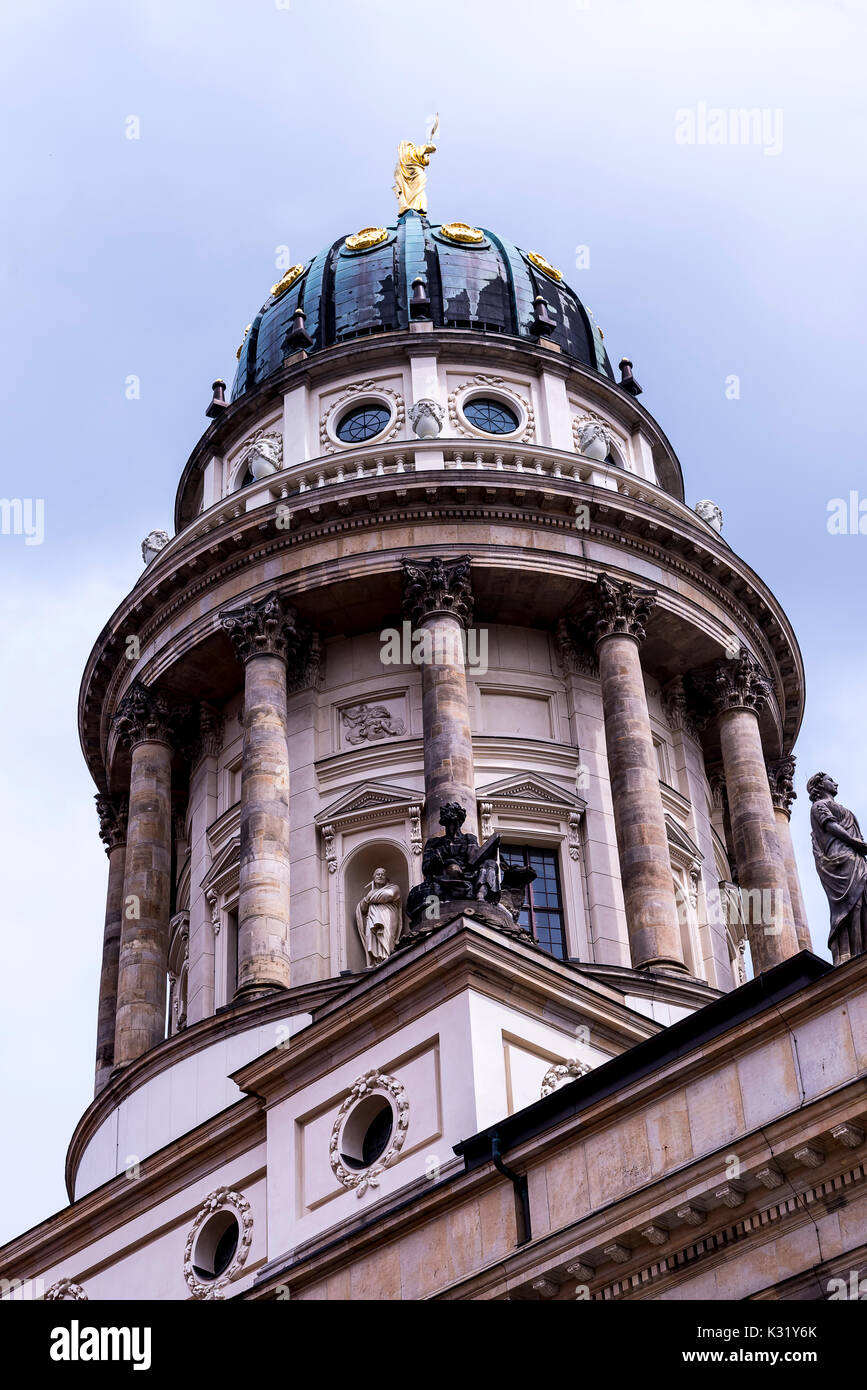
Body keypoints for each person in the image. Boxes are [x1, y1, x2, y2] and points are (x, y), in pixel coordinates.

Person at [807, 772, 867, 964]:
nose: (835, 783)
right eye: (830, 780)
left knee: (863, 902)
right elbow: (830, 825)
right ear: (820, 785)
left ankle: (862, 948)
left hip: (856, 857)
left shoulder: (839, 807)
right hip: (841, 858)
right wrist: (854, 842)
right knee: (851, 904)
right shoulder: (819, 806)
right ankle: (849, 952)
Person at [355, 868, 403, 967]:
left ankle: (386, 958)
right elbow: (363, 909)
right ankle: (375, 961)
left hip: (387, 917)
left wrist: (369, 898)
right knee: (370, 937)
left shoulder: (394, 887)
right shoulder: (370, 894)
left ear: (386, 878)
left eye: (382, 874)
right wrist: (368, 898)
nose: (380, 876)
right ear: (374, 878)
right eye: (377, 874)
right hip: (371, 920)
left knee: (387, 938)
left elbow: (389, 895)